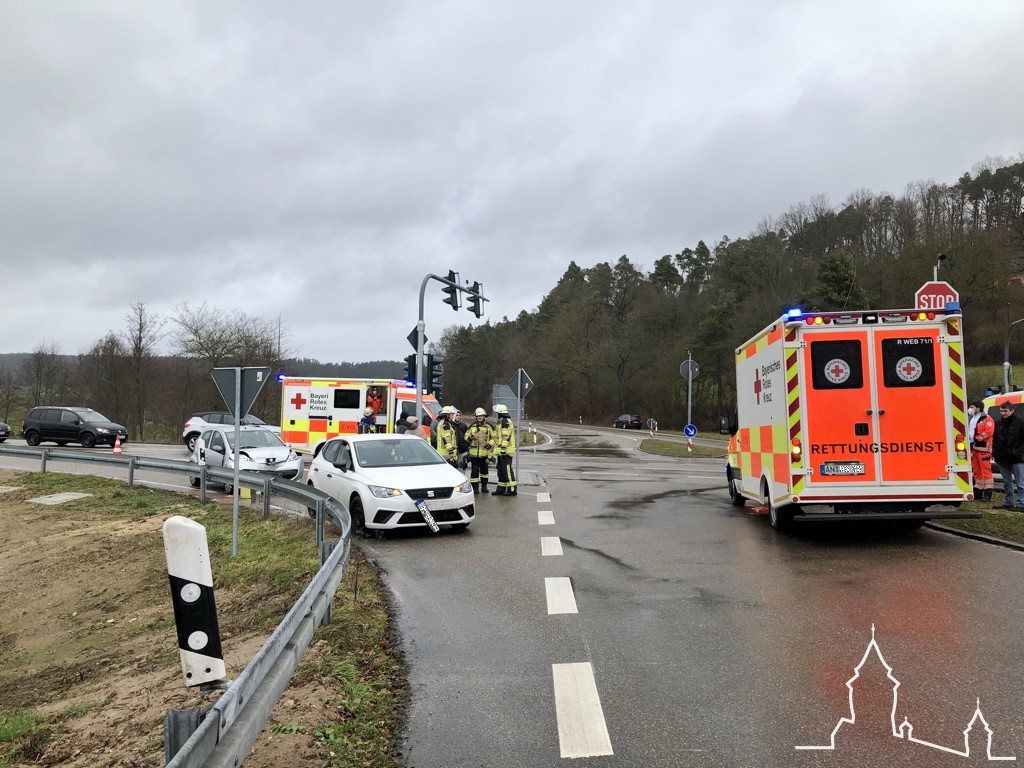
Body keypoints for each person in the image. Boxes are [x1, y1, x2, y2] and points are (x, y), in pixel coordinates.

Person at [991, 403, 1024, 510]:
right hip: (1002, 458)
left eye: (1005, 411)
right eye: (1001, 411)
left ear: (1012, 411)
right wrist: (995, 452)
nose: (1003, 413)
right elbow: (995, 440)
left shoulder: (1020, 423)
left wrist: (1018, 452)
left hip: (1016, 458)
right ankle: (1008, 502)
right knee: (1007, 483)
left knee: (1020, 483)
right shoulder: (999, 423)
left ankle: (1021, 504)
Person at [968, 400, 995, 501]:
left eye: (972, 407)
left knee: (986, 471)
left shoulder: (987, 419)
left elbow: (989, 432)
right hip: (974, 447)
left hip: (983, 448)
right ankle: (978, 490)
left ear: (978, 408)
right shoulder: (971, 418)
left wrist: (976, 438)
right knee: (977, 470)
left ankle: (988, 492)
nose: (970, 409)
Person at [464, 407, 495, 494]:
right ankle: (475, 488)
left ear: (484, 416)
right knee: (474, 472)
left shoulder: (489, 427)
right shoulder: (472, 427)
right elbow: (466, 436)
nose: (479, 417)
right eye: (478, 416)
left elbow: (494, 438)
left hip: (485, 453)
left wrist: (490, 444)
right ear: (476, 417)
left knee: (485, 471)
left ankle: (484, 487)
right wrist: (469, 437)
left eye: (481, 416)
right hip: (474, 454)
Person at [491, 403, 517, 496]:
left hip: (506, 451)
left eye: (497, 412)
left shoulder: (505, 422)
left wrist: (503, 448)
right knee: (501, 470)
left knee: (507, 470)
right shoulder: (501, 421)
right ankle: (501, 489)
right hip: (502, 451)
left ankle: (512, 489)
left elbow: (506, 436)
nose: (497, 414)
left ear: (500, 413)